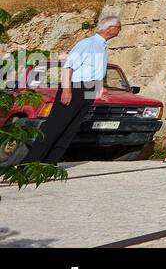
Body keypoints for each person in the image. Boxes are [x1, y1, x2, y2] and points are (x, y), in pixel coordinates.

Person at [30, 16, 122, 164]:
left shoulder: (102, 47)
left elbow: (94, 71)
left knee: (70, 129)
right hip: (75, 87)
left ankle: (50, 164)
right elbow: (68, 66)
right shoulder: (87, 43)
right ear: (110, 28)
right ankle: (29, 164)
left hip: (88, 89)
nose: (120, 30)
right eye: (119, 27)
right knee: (55, 126)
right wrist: (67, 90)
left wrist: (99, 88)